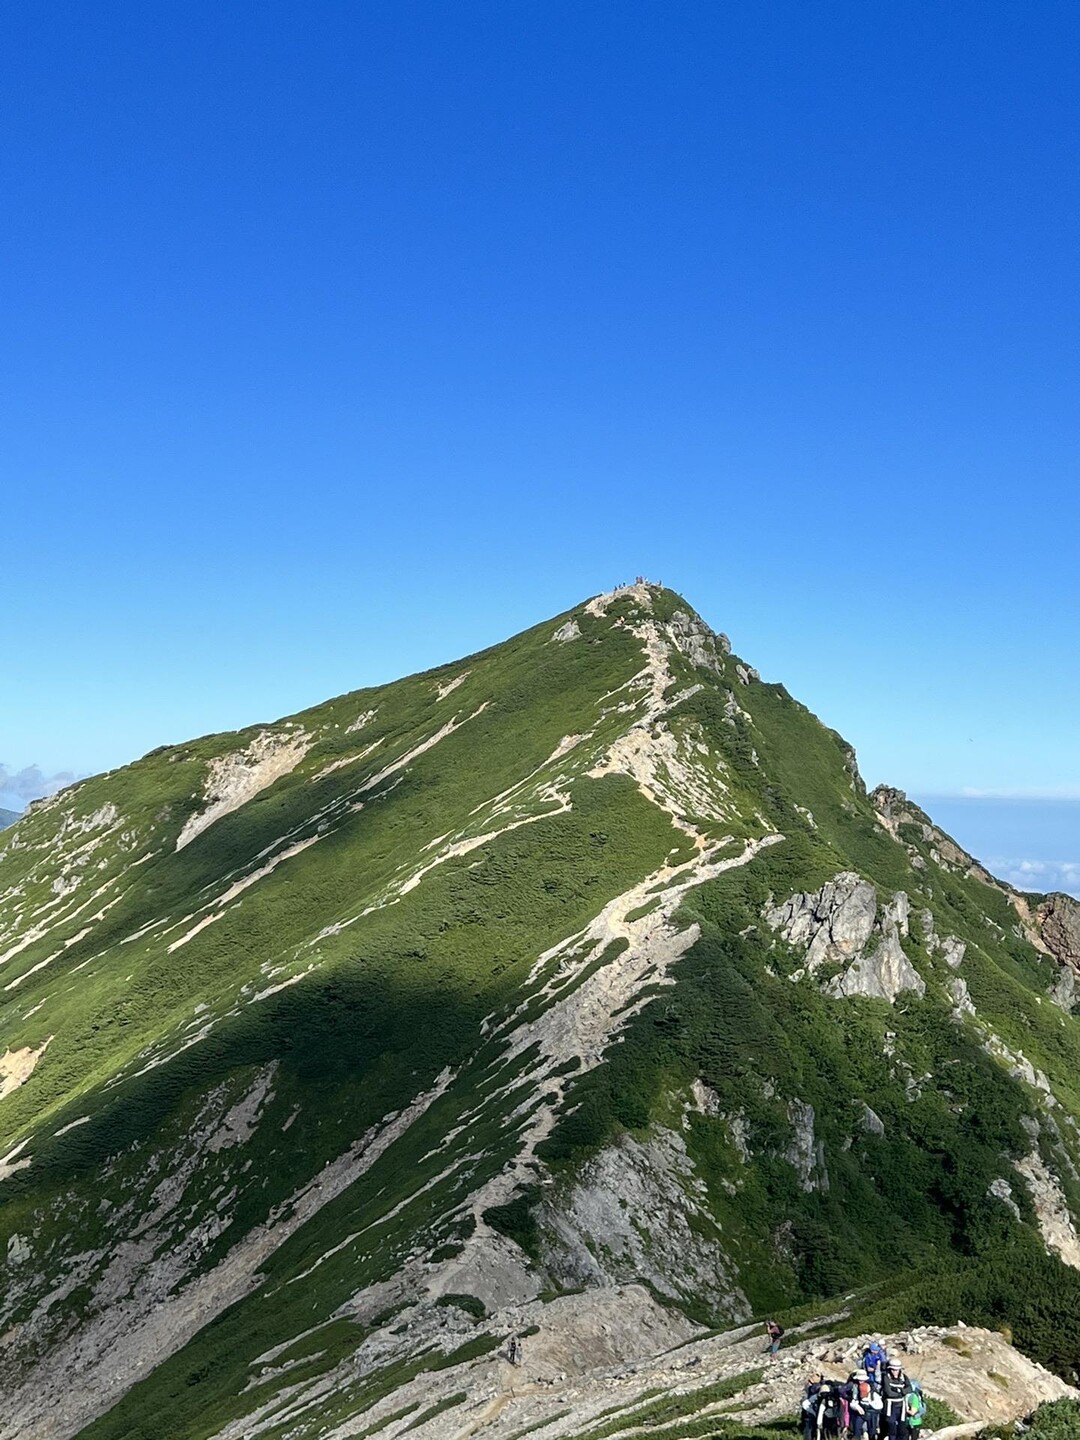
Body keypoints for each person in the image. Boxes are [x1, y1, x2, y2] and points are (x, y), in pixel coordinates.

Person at [882, 1360, 912, 1440]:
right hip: (890, 1405)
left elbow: (909, 1388)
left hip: (901, 1405)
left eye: (897, 1370)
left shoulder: (904, 1377)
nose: (895, 1372)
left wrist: (901, 1391)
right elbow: (889, 1392)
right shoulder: (886, 1377)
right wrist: (900, 1393)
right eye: (893, 1370)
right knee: (892, 1427)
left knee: (902, 1427)